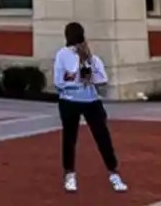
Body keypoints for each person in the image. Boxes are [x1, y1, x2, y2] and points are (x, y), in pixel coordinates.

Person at [54, 22, 127, 193]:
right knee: (69, 138)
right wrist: (75, 78)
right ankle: (69, 174)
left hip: (91, 100)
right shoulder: (63, 54)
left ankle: (113, 173)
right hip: (69, 100)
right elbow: (59, 81)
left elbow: (102, 78)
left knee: (102, 137)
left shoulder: (90, 55)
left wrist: (89, 73)